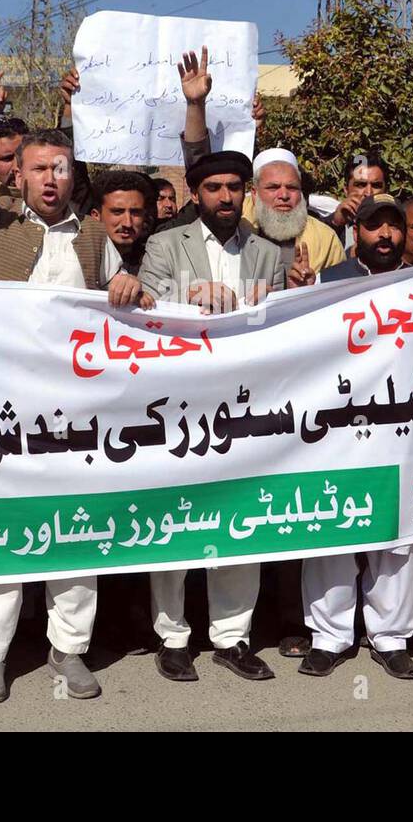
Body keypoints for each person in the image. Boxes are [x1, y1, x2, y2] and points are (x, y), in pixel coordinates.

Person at [0, 34, 140, 704]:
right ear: (17, 175)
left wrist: (131, 290)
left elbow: (132, 311)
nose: (51, 178)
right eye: (39, 168)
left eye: (62, 168)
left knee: (77, 531)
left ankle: (69, 647)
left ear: (74, 176)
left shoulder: (96, 236)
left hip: (79, 418)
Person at [137, 148, 285, 682]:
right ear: (196, 194)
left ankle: (233, 637)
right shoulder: (161, 244)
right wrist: (189, 297)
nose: (226, 196)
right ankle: (172, 636)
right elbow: (144, 309)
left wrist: (248, 299)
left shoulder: (270, 253)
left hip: (244, 409)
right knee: (173, 521)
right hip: (177, 408)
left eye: (235, 187)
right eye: (215, 188)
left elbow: (286, 322)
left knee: (240, 521)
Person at [298, 194, 413, 679]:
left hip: (404, 425)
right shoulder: (328, 283)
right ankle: (329, 636)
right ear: (358, 233)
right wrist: (299, 293)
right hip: (337, 427)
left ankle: (390, 637)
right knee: (331, 526)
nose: (386, 236)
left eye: (395, 227)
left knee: (398, 533)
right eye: (375, 227)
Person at [250, 147, 344, 281]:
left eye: (292, 187)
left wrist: (309, 291)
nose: (283, 195)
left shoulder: (325, 239)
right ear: (254, 193)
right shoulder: (240, 229)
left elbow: (341, 293)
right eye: (273, 187)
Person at [89, 169, 154, 275]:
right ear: (96, 216)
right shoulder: (78, 260)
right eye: (118, 212)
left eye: (135, 212)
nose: (127, 223)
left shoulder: (155, 262)